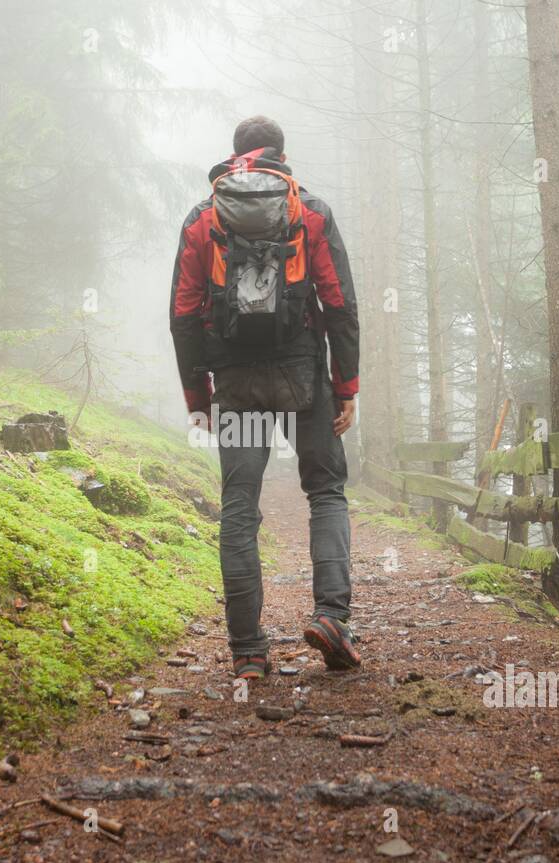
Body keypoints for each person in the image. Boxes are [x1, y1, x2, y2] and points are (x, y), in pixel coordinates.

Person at [169, 115, 361, 680]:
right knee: (325, 491)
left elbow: (183, 313)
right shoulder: (311, 212)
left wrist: (196, 396)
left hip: (234, 383)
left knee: (239, 507)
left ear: (235, 157)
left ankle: (249, 651)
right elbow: (340, 305)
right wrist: (345, 386)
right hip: (303, 377)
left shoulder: (204, 218)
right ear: (280, 153)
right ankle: (332, 618)